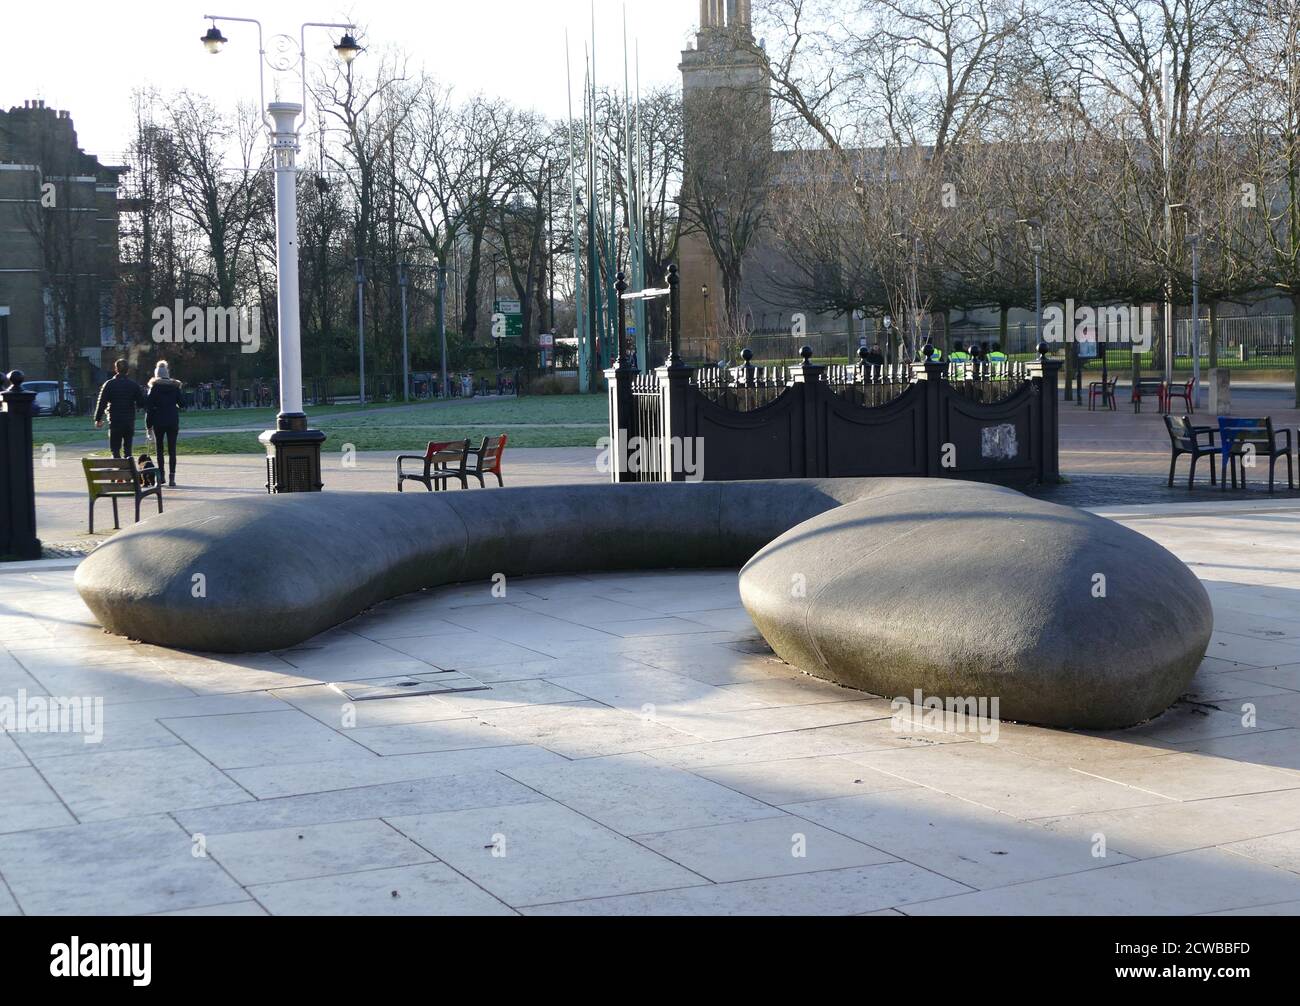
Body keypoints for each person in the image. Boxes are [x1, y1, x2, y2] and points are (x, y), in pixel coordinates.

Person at [94, 359, 147, 460]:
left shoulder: (109, 384)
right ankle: (127, 469)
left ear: (116, 369)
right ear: (128, 370)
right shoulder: (133, 385)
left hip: (115, 419)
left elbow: (102, 402)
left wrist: (98, 418)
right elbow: (141, 403)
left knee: (115, 449)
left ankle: (117, 468)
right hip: (128, 419)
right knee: (127, 449)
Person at [145, 360, 184, 489]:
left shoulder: (154, 388)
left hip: (158, 421)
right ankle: (172, 477)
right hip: (172, 420)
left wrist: (148, 425)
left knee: (159, 449)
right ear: (167, 374)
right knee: (172, 450)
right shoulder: (175, 387)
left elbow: (149, 408)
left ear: (157, 375)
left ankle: (161, 476)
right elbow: (183, 403)